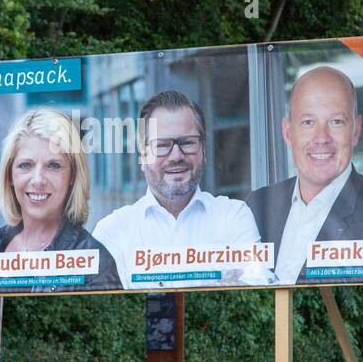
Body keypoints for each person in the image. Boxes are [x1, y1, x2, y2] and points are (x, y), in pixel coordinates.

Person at [246, 65, 363, 286]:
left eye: (336, 122)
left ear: (356, 131)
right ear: (287, 132)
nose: (321, 137)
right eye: (308, 122)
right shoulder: (256, 206)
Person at [91, 90, 265, 289]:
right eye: (162, 145)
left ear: (203, 150)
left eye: (187, 142)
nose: (176, 156)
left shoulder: (234, 217)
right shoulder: (112, 231)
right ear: (143, 154)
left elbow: (254, 292)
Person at [0, 109, 121, 292]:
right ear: (10, 175)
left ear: (72, 176)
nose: (38, 180)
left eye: (53, 166)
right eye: (26, 165)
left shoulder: (97, 263)